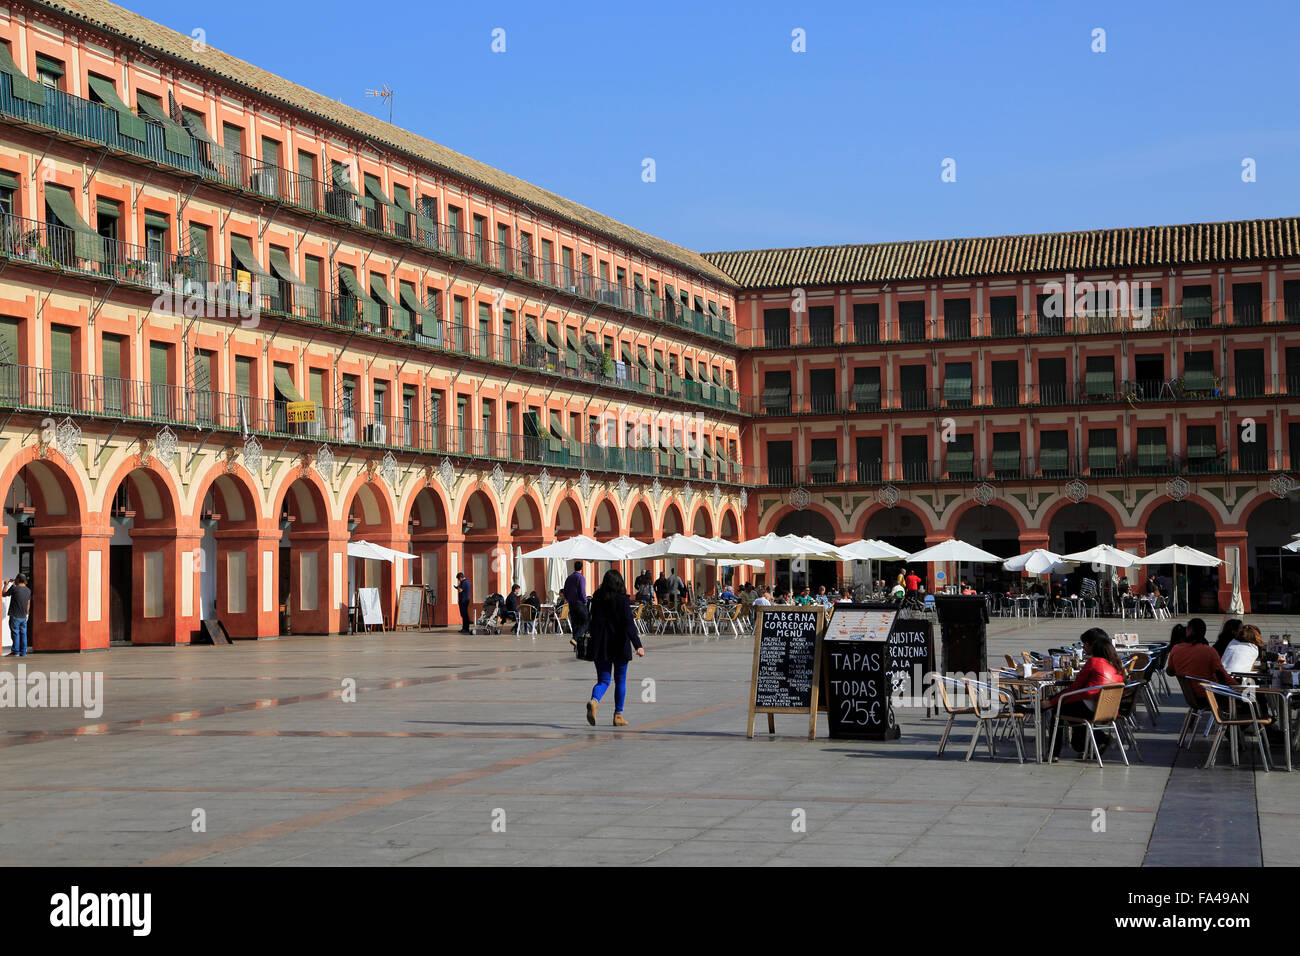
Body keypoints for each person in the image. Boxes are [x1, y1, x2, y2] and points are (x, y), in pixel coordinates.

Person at [1041, 628, 1126, 759]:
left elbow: (1075, 688)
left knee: (1057, 710)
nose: (1084, 647)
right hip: (1109, 709)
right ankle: (1094, 740)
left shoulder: (1093, 662)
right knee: (1067, 706)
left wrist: (1051, 702)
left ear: (1093, 646)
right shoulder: (1117, 664)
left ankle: (1054, 753)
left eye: (1085, 644)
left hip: (1091, 706)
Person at [585, 569, 645, 728]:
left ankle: (594, 701)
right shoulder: (622, 600)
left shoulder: (596, 597)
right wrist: (638, 645)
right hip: (619, 645)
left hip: (601, 646)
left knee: (603, 681)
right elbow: (628, 623)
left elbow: (592, 620)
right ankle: (618, 715)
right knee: (620, 681)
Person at [1168, 617, 1235, 701]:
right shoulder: (1209, 651)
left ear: (1188, 630)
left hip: (1190, 697)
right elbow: (1222, 675)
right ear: (1204, 632)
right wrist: (1238, 686)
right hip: (1210, 696)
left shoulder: (1175, 649)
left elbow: (1170, 671)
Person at [4, 573, 32, 657]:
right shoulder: (28, 590)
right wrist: (26, 614)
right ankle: (23, 652)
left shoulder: (14, 588)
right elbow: (28, 604)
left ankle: (15, 651)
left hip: (15, 615)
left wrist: (6, 584)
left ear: (18, 579)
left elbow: (3, 594)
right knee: (23, 634)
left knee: (15, 634)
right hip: (23, 616)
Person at [563, 561, 589, 649]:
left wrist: (569, 599)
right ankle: (575, 638)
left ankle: (576, 646)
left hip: (571, 604)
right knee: (586, 622)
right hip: (579, 603)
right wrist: (585, 600)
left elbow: (565, 591)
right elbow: (582, 591)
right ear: (582, 568)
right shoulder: (581, 578)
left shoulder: (569, 578)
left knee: (575, 624)